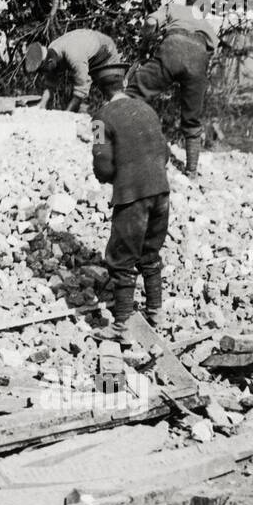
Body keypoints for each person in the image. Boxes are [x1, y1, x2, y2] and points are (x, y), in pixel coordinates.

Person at [91, 67, 170, 333]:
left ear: (97, 87)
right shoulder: (147, 110)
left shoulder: (101, 118)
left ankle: (122, 326)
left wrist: (111, 177)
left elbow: (102, 163)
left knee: (121, 258)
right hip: (161, 191)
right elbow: (164, 151)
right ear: (124, 82)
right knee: (150, 253)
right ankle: (156, 314)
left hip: (132, 195)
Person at [126, 0, 220, 176]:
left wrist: (144, 47)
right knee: (192, 118)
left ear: (188, 1)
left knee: (133, 94)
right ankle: (191, 171)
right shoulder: (209, 26)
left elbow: (150, 22)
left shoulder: (174, 8)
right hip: (199, 59)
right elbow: (212, 54)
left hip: (172, 49)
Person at [25, 29, 123, 113]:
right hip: (88, 52)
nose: (44, 74)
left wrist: (67, 115)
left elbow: (81, 88)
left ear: (50, 62)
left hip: (105, 50)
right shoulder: (52, 53)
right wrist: (42, 104)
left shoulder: (74, 55)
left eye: (43, 71)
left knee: (110, 90)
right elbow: (50, 82)